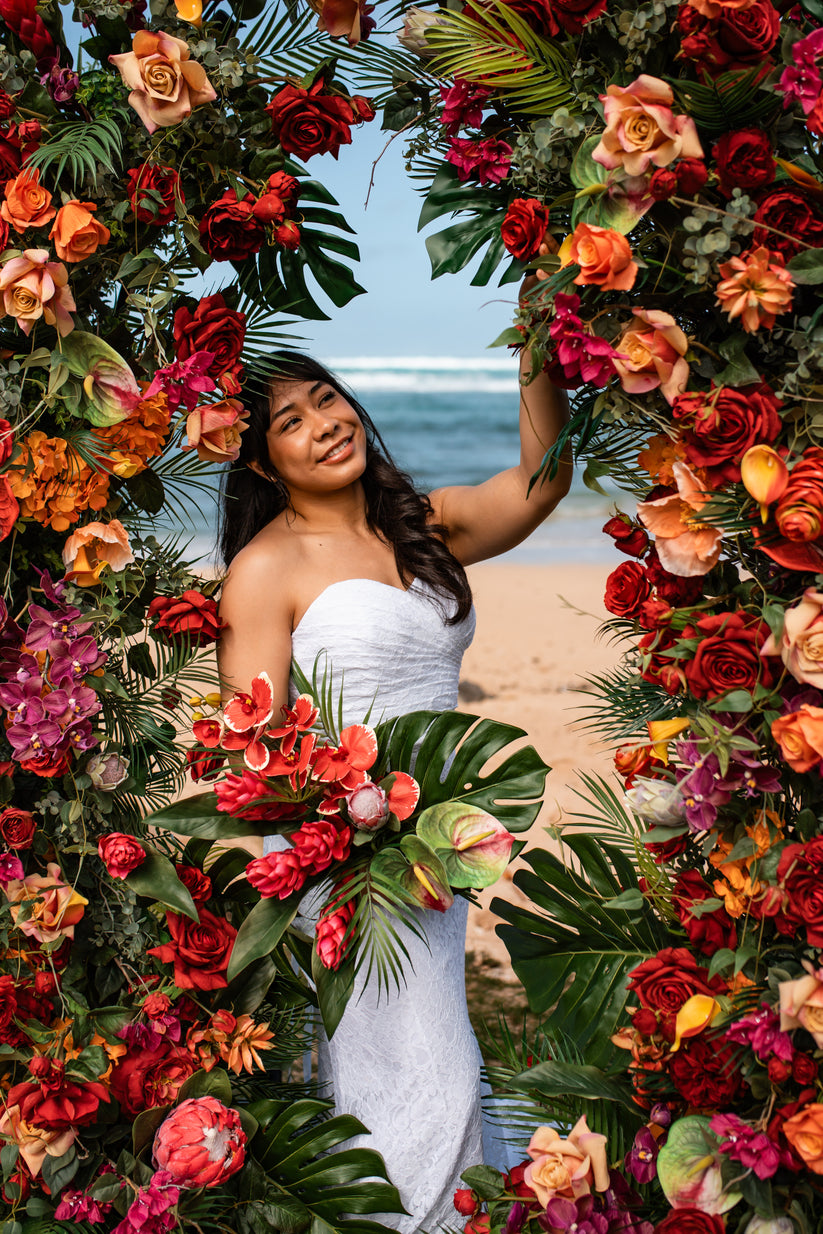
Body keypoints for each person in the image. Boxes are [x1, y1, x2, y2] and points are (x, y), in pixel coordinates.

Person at [217, 325, 571, 1234]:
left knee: (425, 1054)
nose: (323, 425)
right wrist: (332, 849)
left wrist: (537, 341)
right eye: (289, 421)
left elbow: (545, 480)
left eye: (326, 399)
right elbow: (250, 754)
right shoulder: (264, 570)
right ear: (262, 460)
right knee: (417, 1060)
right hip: (343, 865)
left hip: (439, 849)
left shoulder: (425, 523)